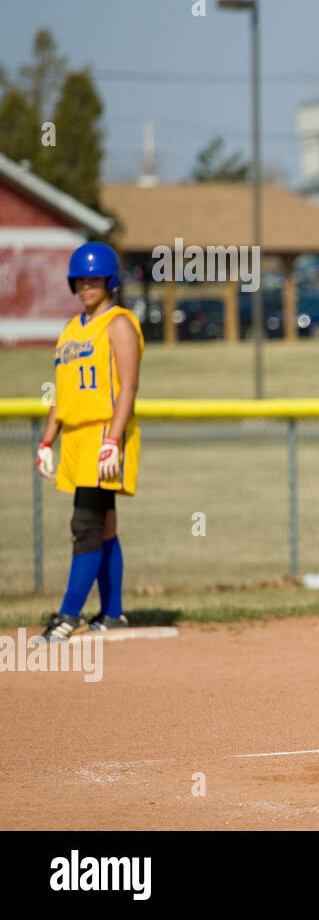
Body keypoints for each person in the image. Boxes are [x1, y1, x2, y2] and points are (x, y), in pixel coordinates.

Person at [35, 242, 143, 641]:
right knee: (104, 526)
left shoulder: (119, 324)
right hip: (76, 439)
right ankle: (112, 613)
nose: (85, 286)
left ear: (110, 281)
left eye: (93, 279)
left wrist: (112, 440)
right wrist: (47, 442)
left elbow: (128, 387)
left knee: (84, 524)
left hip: (104, 434)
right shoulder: (69, 330)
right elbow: (61, 396)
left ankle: (67, 616)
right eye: (80, 279)